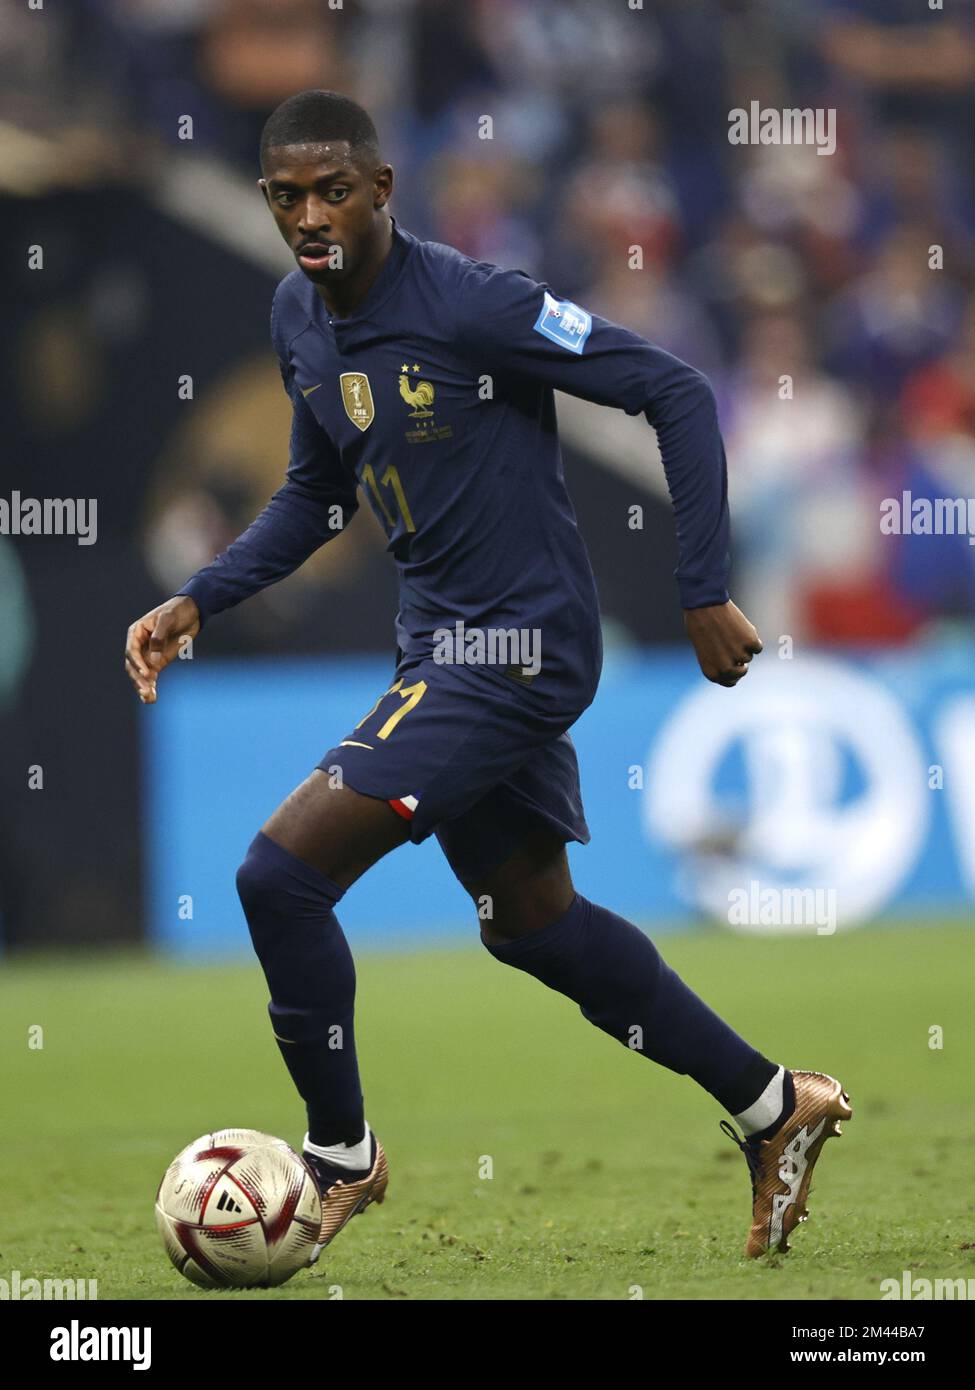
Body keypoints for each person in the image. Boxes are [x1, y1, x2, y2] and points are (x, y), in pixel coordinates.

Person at [124, 90, 851, 1264]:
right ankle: (776, 1106)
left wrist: (702, 585)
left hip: (516, 650)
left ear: (381, 191)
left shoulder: (473, 303)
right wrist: (197, 597)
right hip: (441, 645)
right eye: (286, 196)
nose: (310, 215)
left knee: (276, 877)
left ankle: (342, 1155)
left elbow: (671, 388)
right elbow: (317, 496)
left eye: (333, 191)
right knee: (533, 925)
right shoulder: (297, 318)